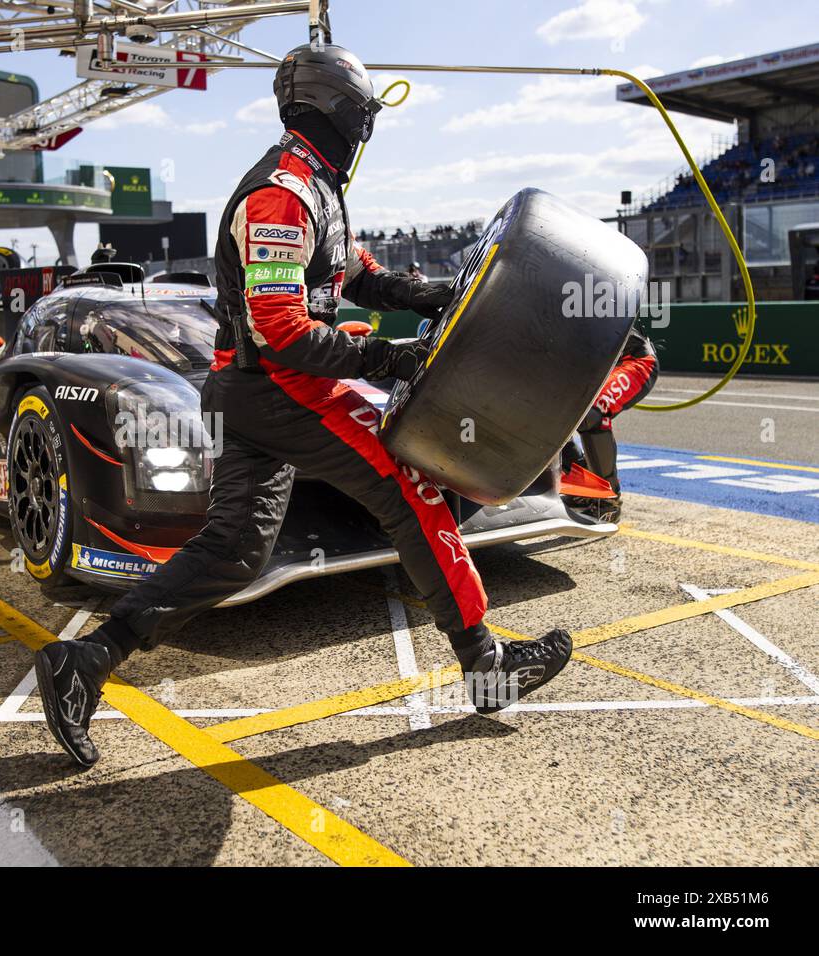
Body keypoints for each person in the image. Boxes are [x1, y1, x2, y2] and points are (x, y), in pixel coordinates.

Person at [33, 42, 574, 767]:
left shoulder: (311, 184)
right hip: (278, 388)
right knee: (411, 491)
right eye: (364, 116)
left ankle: (86, 662)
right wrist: (388, 358)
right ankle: (484, 664)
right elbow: (282, 330)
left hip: (250, 391)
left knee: (233, 550)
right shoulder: (282, 194)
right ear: (345, 112)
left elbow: (351, 270)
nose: (365, 131)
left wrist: (428, 294)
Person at [563, 327, 659, 523]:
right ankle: (583, 486)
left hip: (635, 361)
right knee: (546, 414)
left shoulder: (573, 303)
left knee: (594, 414)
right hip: (594, 370)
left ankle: (608, 501)